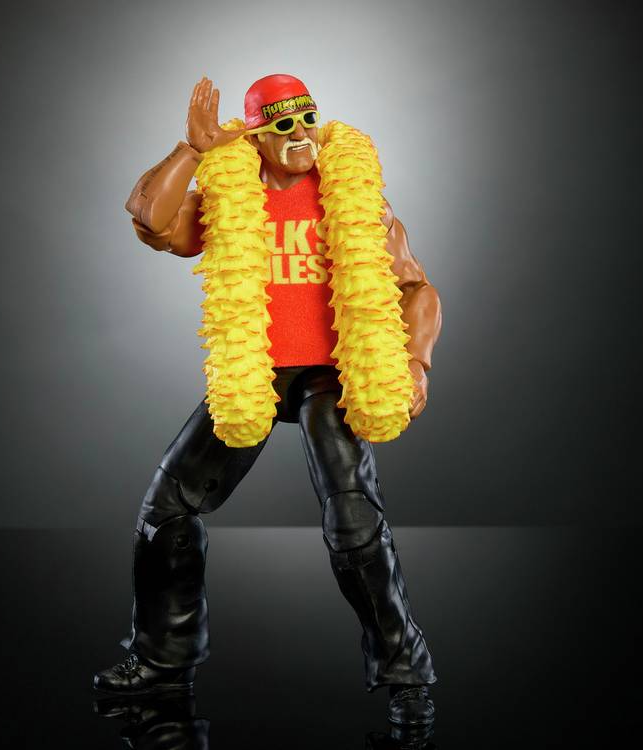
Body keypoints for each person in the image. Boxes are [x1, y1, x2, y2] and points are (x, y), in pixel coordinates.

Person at [93, 74, 443, 727]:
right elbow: (150, 218)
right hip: (250, 370)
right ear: (256, 135)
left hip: (330, 372)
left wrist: (416, 363)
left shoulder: (351, 196)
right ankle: (162, 662)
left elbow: (416, 289)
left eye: (308, 117)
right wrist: (191, 150)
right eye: (284, 123)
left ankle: (406, 676)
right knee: (167, 510)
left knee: (354, 519)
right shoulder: (230, 195)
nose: (302, 133)